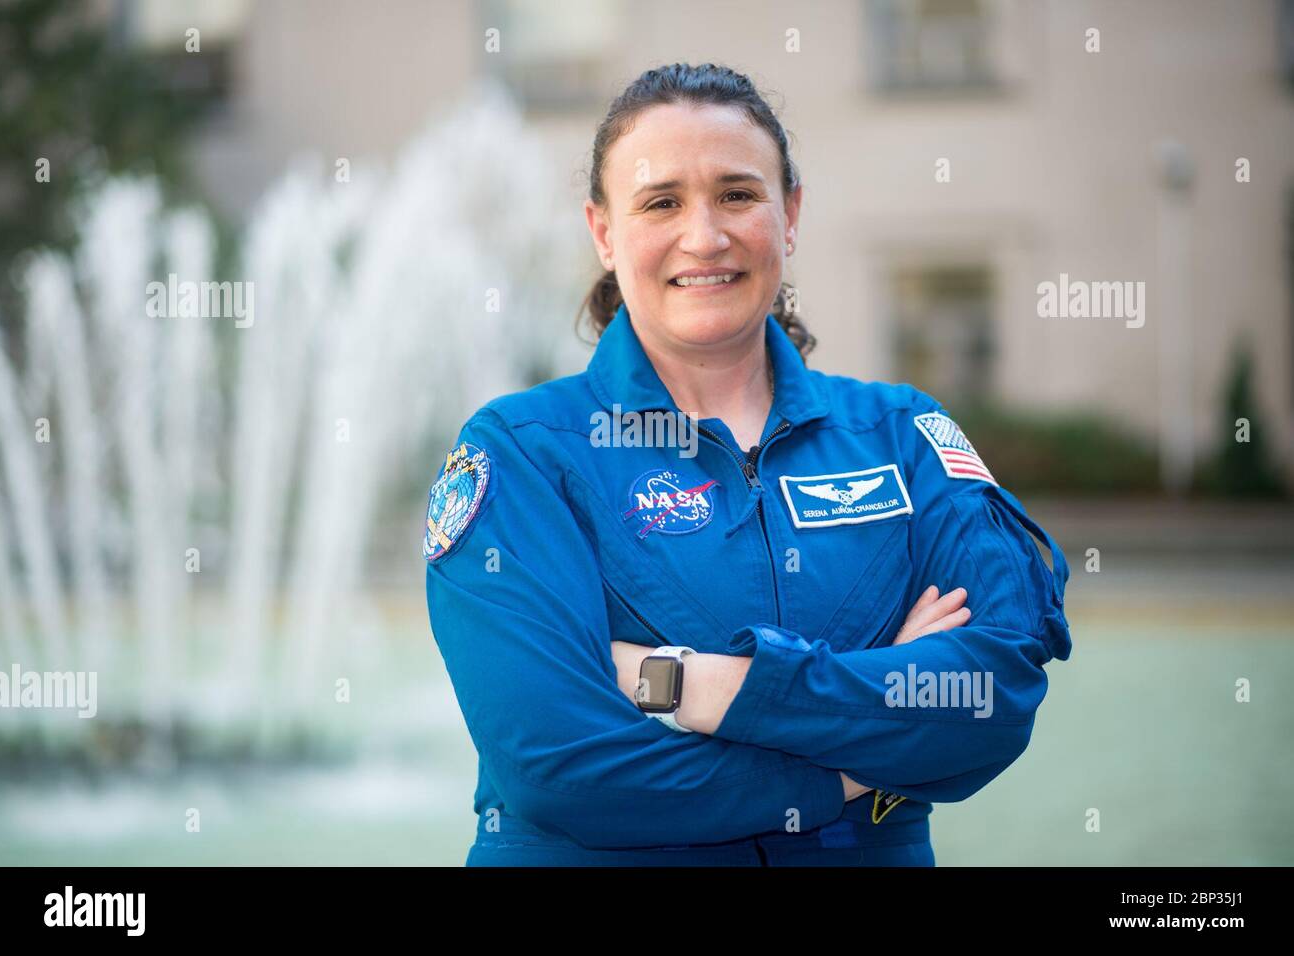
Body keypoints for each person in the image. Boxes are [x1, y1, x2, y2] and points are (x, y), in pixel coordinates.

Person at [422, 62, 1072, 866]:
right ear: (603, 231)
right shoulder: (521, 456)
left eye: (737, 194)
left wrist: (702, 686)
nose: (705, 236)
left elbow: (991, 697)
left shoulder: (904, 435)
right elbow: (564, 769)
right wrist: (853, 763)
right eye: (661, 202)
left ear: (789, 213)